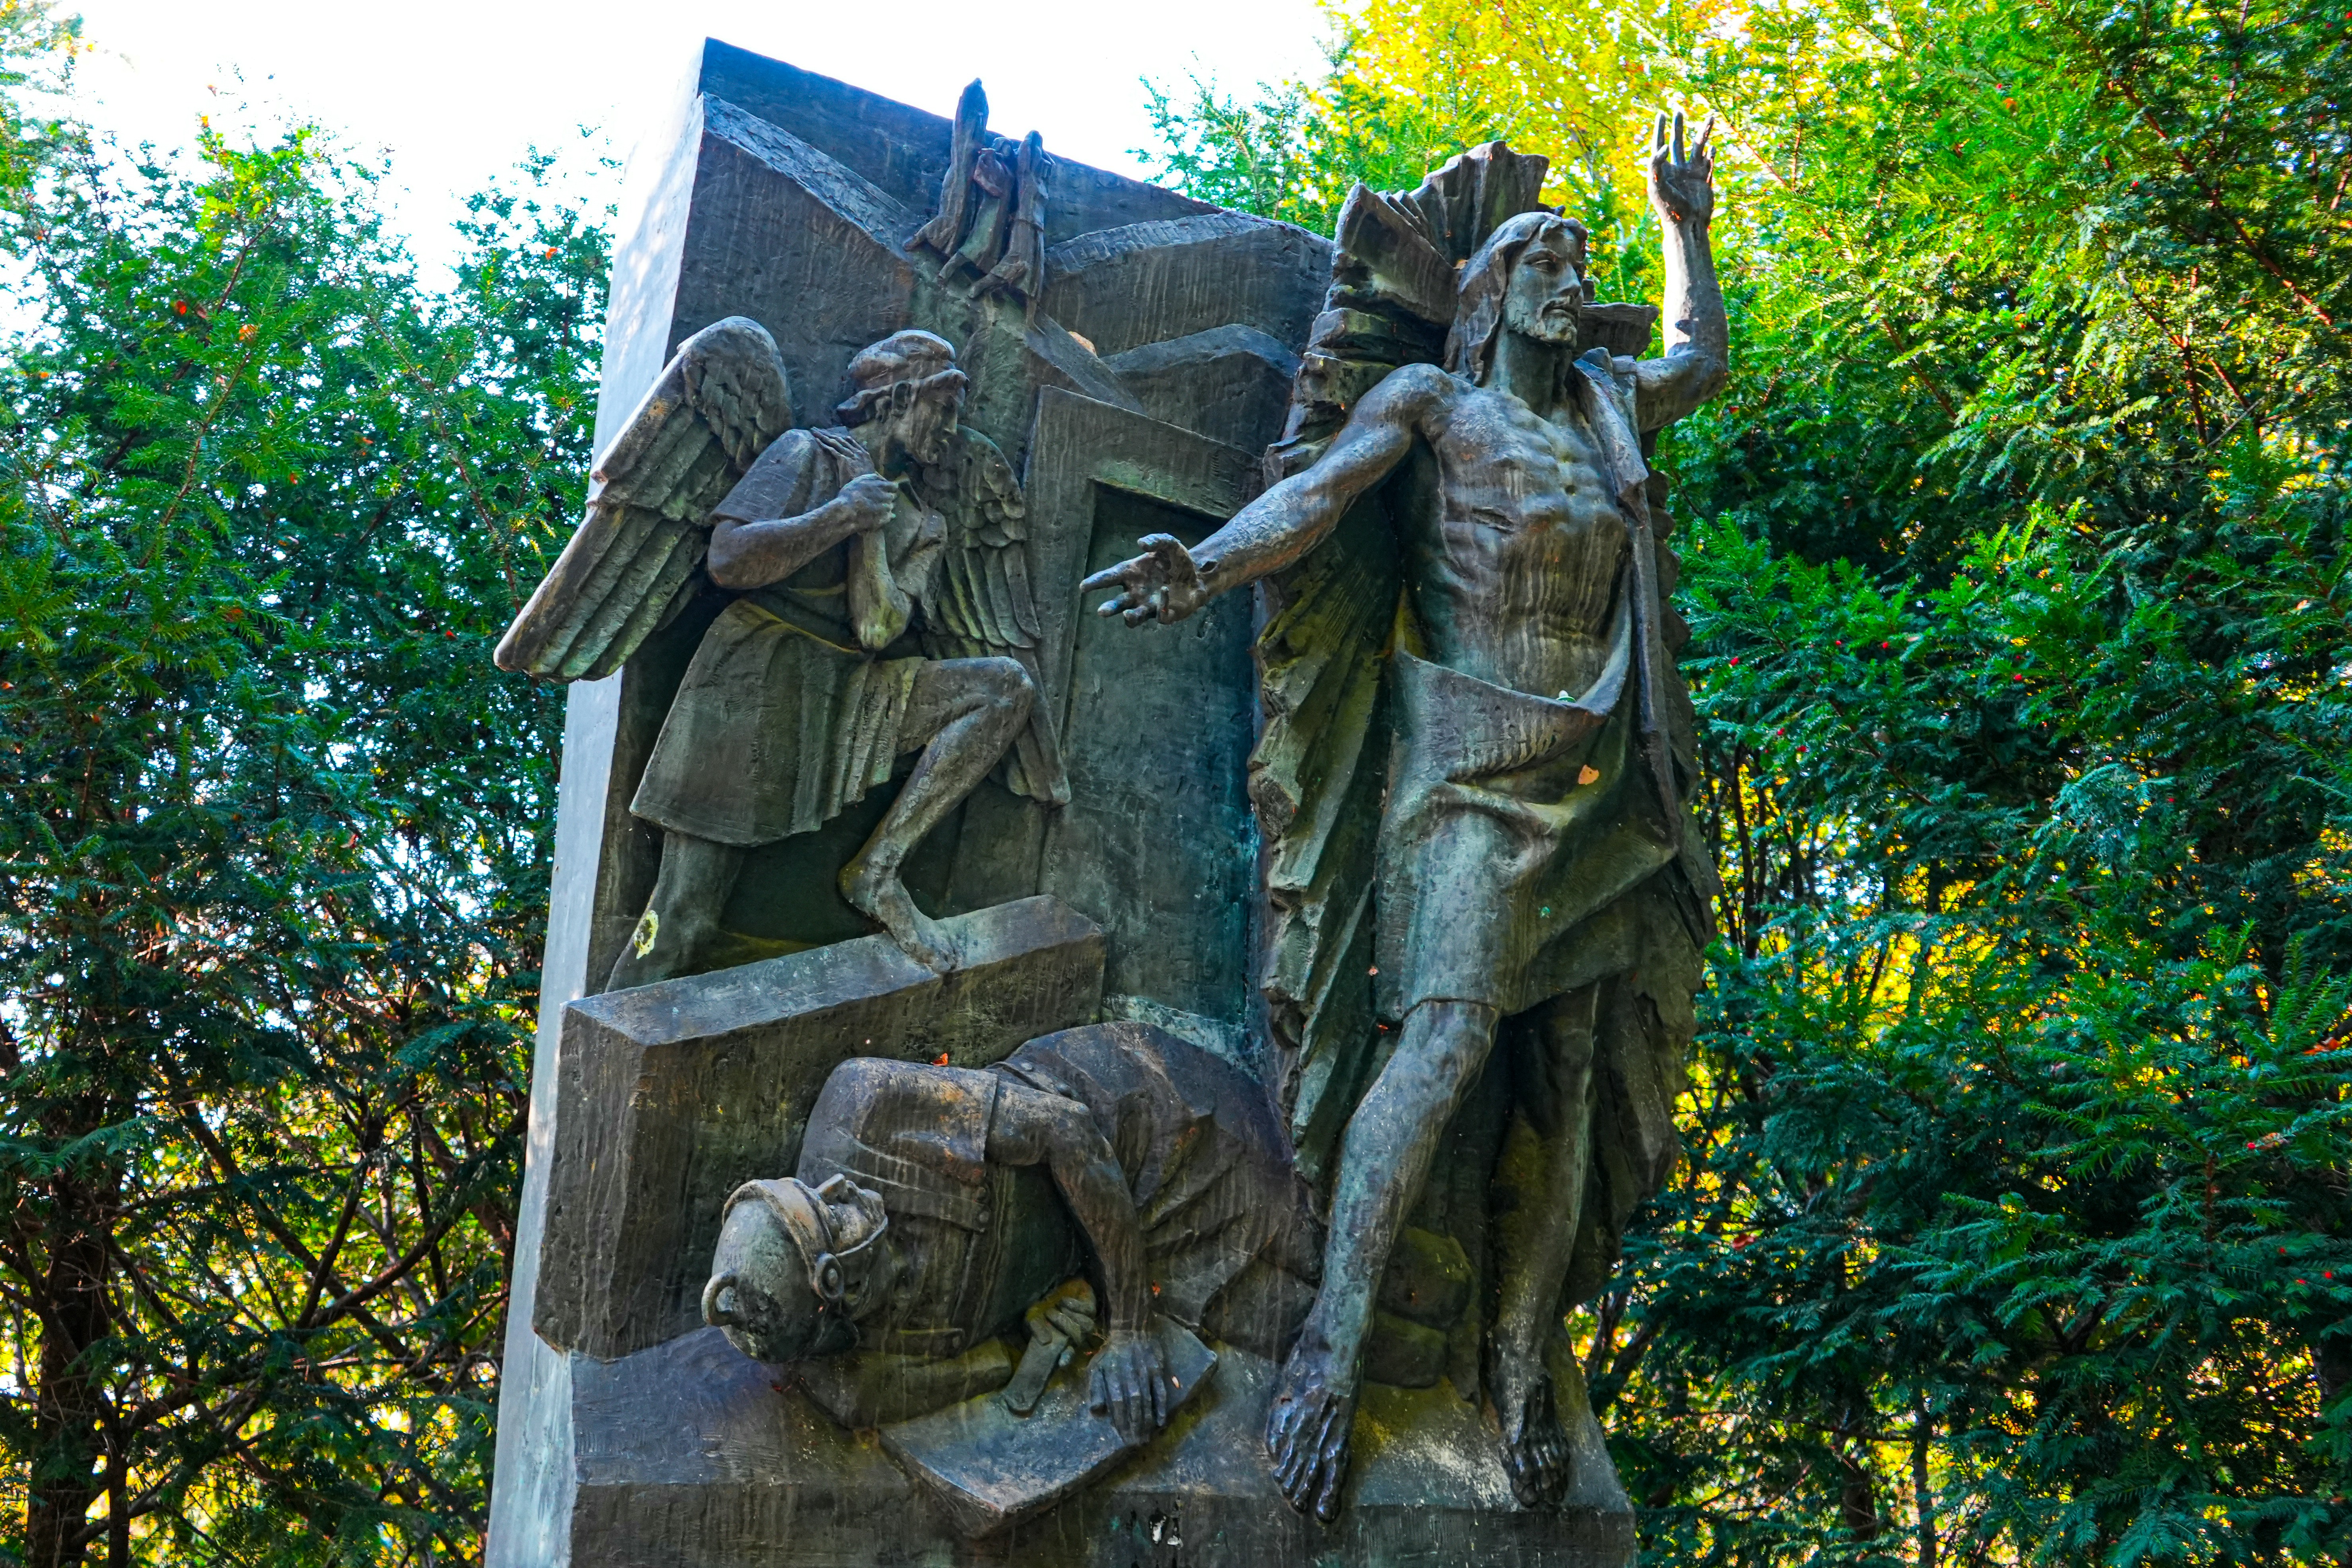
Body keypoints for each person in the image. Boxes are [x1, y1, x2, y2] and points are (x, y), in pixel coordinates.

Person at [1081, 116, 1726, 1517]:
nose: (1568, 270)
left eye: (1577, 255)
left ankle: (1510, 1355)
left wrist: (1685, 228)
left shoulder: (1609, 406)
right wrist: (1200, 566)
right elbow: (1315, 494)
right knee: (1440, 1046)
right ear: (1487, 294)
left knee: (1558, 1074)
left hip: (1599, 777)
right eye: (1542, 255)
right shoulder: (1435, 409)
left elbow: (1703, 364)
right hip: (1465, 768)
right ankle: (1333, 1339)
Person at [611, 330, 1052, 988]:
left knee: (1002, 688)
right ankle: (596, 1072)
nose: (954, 428)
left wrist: (868, 528)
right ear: (900, 399)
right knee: (682, 921)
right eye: (946, 406)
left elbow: (878, 627)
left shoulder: (925, 521)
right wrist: (839, 514)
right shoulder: (803, 454)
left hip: (851, 687)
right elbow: (729, 560)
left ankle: (877, 871)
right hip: (754, 676)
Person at [700, 1021, 1321, 1442]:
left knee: (1319, 1237)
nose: (838, 1190)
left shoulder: (865, 1105)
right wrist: (1034, 1338)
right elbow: (969, 1371)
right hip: (1116, 1261)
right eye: (832, 1219)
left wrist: (1130, 1329)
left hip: (1147, 1129)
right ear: (838, 1291)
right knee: (1304, 1330)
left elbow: (1069, 1130)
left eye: (814, 1190)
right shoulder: (863, 1367)